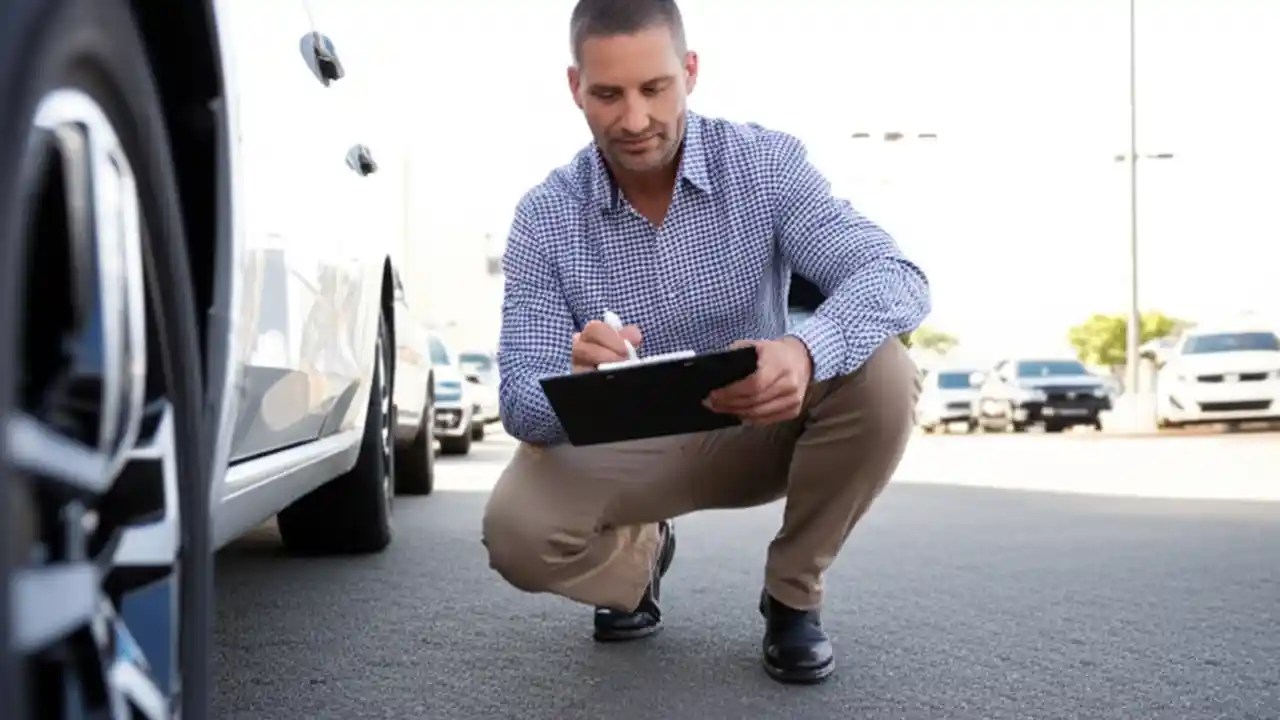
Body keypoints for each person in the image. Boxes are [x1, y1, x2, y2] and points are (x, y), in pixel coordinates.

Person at [482, 0, 930, 684]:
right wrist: (569, 375)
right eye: (607, 94)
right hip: (627, 445)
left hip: (763, 425)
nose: (633, 120)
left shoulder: (765, 166)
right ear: (575, 88)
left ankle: (792, 596)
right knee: (517, 536)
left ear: (689, 72)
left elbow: (897, 277)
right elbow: (518, 399)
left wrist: (806, 352)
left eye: (654, 88)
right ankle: (638, 561)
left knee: (886, 373)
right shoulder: (546, 217)